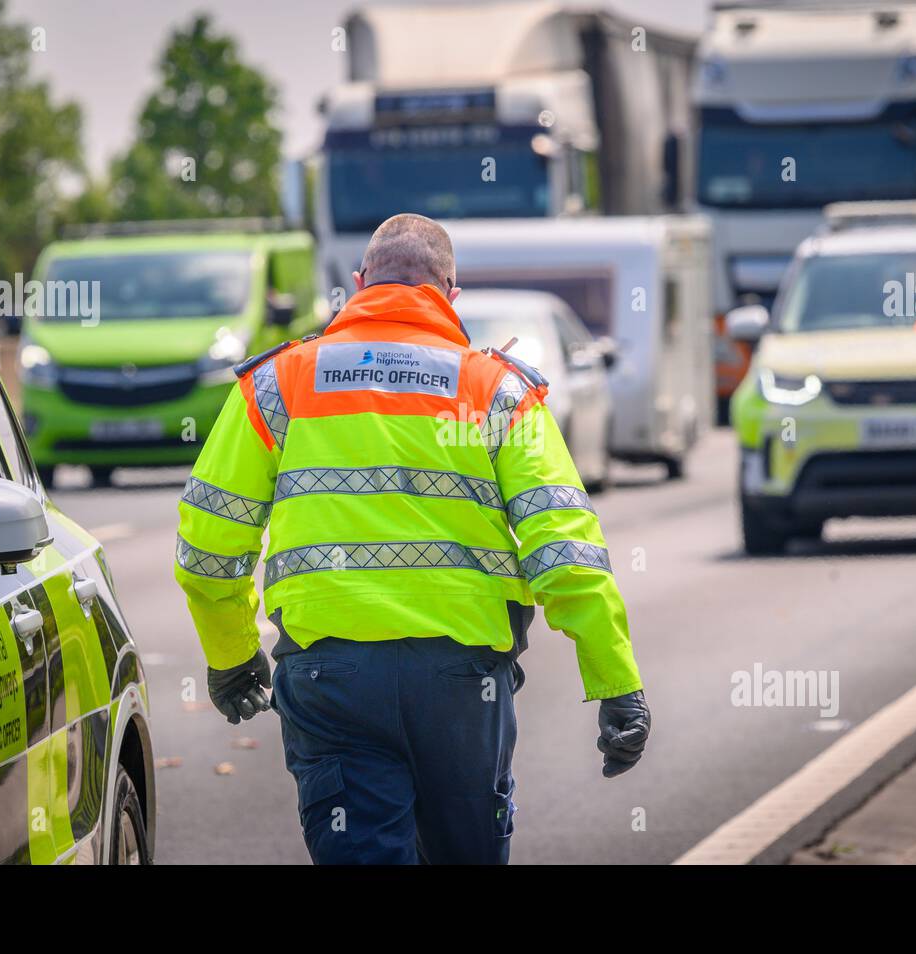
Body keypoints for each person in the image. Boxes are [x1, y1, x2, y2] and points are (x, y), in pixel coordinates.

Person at [174, 213, 650, 864]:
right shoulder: (496, 390)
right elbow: (564, 549)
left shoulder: (278, 383)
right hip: (461, 683)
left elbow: (208, 549)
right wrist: (615, 681)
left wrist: (230, 656)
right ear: (451, 295)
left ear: (359, 283)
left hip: (329, 677)